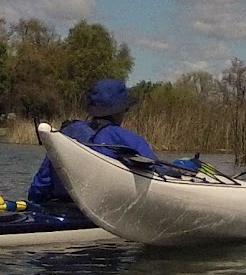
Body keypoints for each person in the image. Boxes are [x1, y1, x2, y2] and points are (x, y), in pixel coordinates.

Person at [28, 78, 156, 203]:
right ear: (118, 111)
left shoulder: (65, 134)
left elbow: (38, 188)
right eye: (125, 109)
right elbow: (156, 170)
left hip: (61, 208)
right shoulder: (126, 138)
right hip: (104, 209)